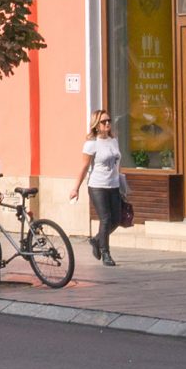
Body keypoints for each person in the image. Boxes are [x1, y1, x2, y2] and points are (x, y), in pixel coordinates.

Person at [69, 109, 129, 265]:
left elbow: (117, 163)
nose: (107, 123)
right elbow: (83, 167)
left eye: (109, 120)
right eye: (104, 122)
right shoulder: (91, 144)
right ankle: (105, 253)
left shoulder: (113, 140)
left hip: (114, 185)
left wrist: (122, 184)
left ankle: (96, 240)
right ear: (96, 125)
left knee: (116, 219)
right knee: (106, 219)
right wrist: (75, 188)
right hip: (97, 186)